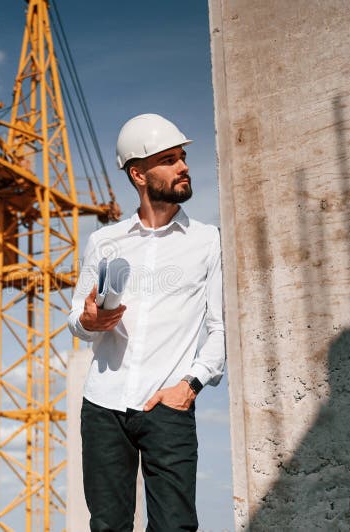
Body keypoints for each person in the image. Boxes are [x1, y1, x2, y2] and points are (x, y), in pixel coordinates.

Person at [68, 113, 225, 531]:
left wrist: (190, 385)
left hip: (168, 406)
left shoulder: (208, 241)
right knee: (107, 527)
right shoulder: (104, 242)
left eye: (183, 157)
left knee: (175, 527)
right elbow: (76, 319)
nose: (184, 167)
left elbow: (220, 328)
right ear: (139, 174)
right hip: (103, 406)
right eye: (170, 159)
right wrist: (89, 320)